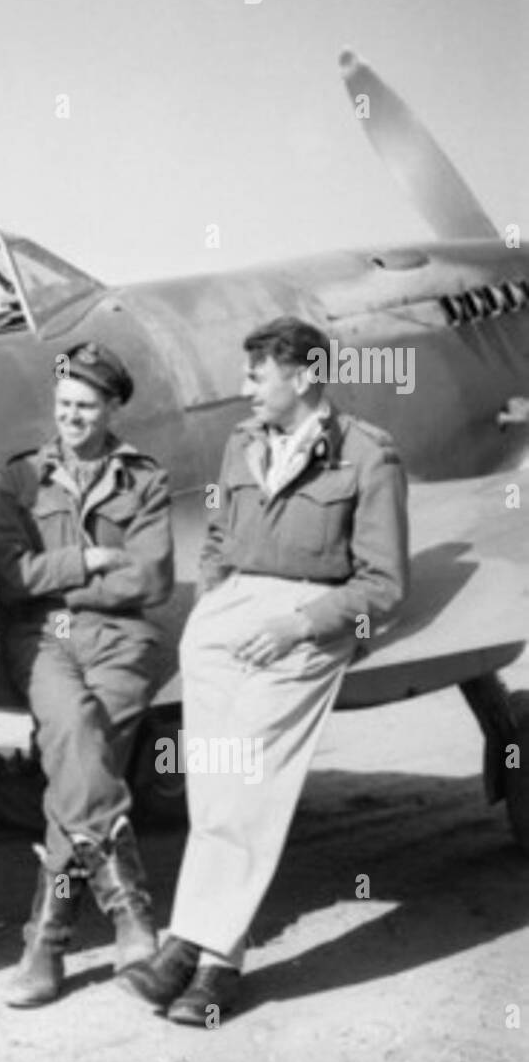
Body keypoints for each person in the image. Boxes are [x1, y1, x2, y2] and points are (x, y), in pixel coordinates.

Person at [118, 316, 408, 1026]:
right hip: (227, 619)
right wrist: (213, 604)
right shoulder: (240, 443)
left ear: (304, 376)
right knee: (214, 791)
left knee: (247, 791)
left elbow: (384, 586)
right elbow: (219, 536)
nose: (245, 389)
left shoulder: (368, 455)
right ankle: (203, 954)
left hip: (304, 622)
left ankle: (205, 958)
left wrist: (299, 625)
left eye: (257, 376)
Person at [0, 342, 174, 1007]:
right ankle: (129, 912)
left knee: (79, 754)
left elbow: (151, 579)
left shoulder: (144, 479)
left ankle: (46, 942)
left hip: (123, 639)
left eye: (87, 406)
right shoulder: (20, 479)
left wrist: (56, 577)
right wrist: (89, 562)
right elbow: (10, 577)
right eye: (64, 402)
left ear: (112, 407)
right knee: (75, 729)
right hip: (46, 638)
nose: (71, 416)